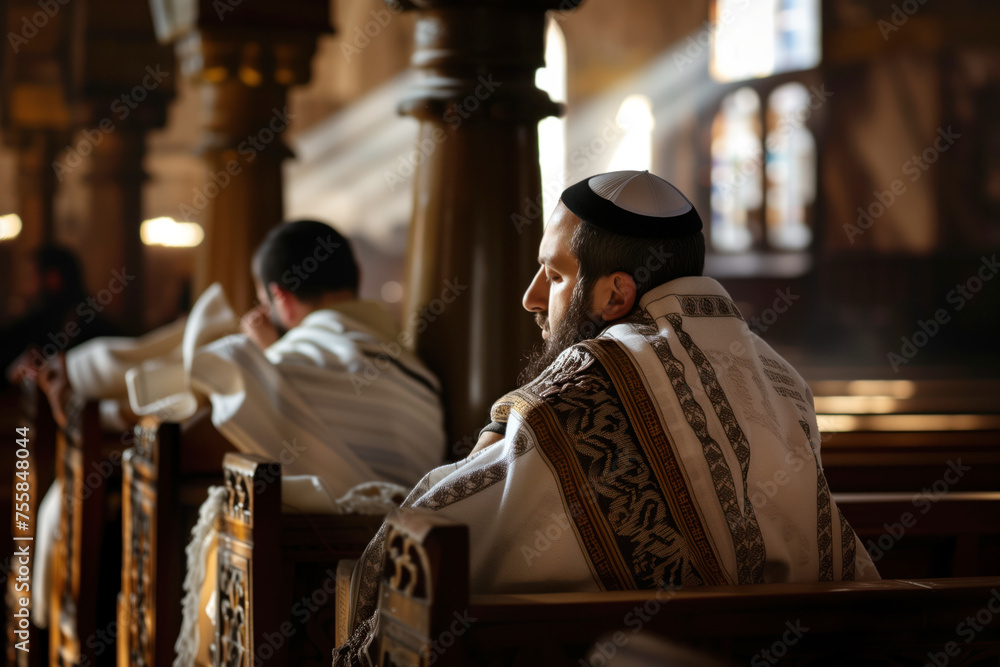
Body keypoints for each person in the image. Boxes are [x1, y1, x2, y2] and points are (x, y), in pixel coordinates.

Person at [335, 171, 877, 665]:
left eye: (553, 274)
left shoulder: (587, 378)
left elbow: (436, 535)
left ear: (616, 294)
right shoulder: (782, 377)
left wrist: (497, 433)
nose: (531, 298)